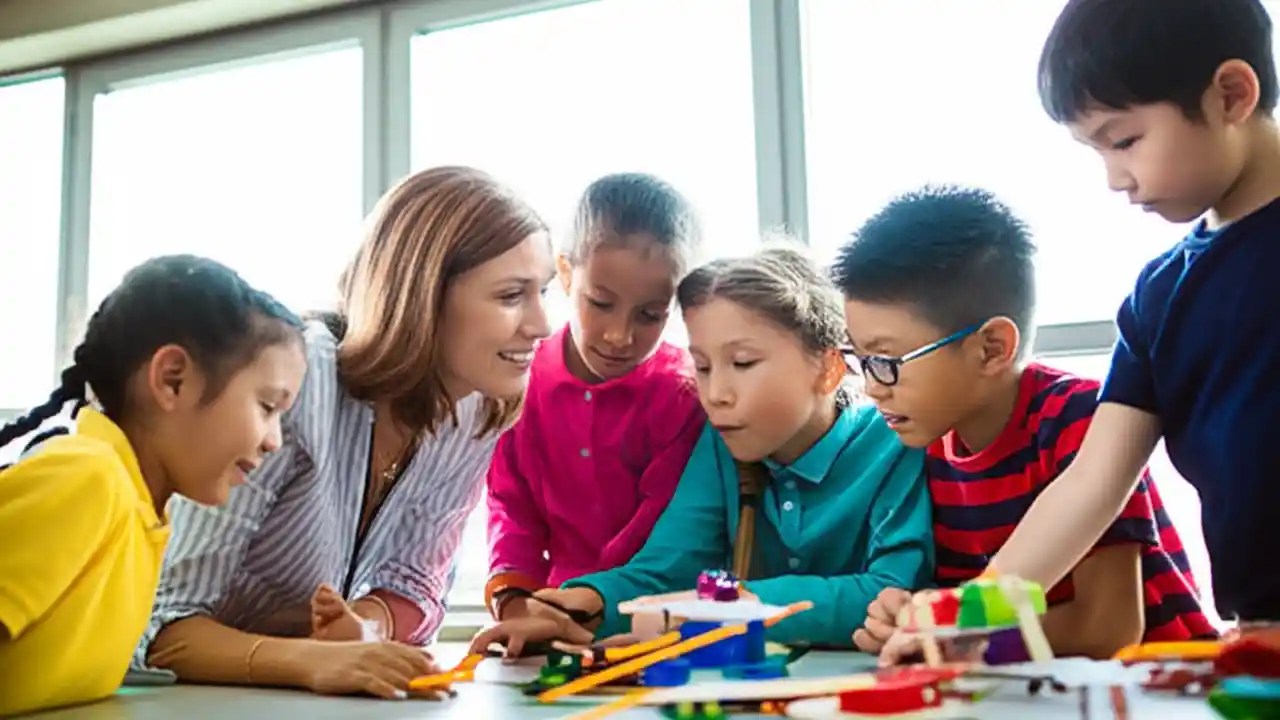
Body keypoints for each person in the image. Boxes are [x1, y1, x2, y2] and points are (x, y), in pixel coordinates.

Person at [136, 166, 556, 698]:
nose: (542, 324)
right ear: (423, 295)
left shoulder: (475, 411)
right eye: (512, 295)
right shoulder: (296, 380)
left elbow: (415, 582)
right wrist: (312, 661)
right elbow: (161, 622)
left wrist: (366, 626)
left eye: (544, 291)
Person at [974, 0, 1280, 624]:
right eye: (1097, 152)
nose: (1116, 178)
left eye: (1125, 140)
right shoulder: (1159, 296)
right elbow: (1091, 485)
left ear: (1231, 94)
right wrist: (970, 610)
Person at [469, 246, 934, 655]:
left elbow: (891, 589)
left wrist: (724, 608)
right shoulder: (720, 442)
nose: (716, 394)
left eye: (743, 363)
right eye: (704, 366)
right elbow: (667, 568)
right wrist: (584, 604)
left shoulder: (895, 441)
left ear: (829, 369)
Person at [831, 186, 1215, 665]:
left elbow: (1109, 628)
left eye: (887, 360)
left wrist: (956, 641)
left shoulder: (1076, 420)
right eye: (860, 359)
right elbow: (975, 603)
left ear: (991, 348)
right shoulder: (923, 443)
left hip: (1166, 685)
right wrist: (912, 618)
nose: (871, 387)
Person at [0, 255, 309, 716]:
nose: (274, 441)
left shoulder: (141, 513)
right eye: (267, 406)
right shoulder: (88, 476)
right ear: (173, 380)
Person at [484, 173, 706, 621]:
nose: (619, 336)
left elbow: (664, 529)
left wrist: (591, 600)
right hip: (546, 611)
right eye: (600, 303)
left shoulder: (685, 393)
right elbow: (510, 507)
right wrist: (515, 604)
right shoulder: (518, 378)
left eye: (650, 315)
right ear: (566, 274)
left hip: (652, 616)